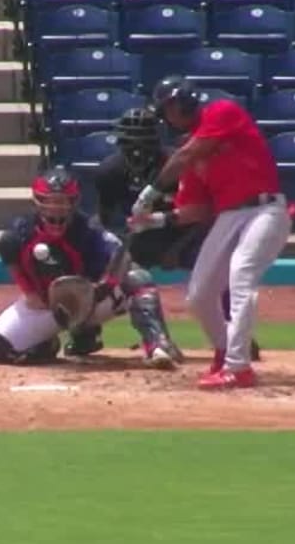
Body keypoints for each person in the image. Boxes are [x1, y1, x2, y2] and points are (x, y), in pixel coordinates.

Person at [129, 76, 292, 390]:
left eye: (169, 109)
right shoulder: (190, 151)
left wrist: (149, 194)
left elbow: (186, 156)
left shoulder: (221, 112)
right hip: (229, 216)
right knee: (200, 293)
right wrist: (154, 221)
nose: (169, 117)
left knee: (240, 276)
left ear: (181, 103)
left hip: (265, 210)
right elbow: (197, 210)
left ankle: (238, 366)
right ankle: (223, 350)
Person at [93, 105, 264, 362]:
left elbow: (203, 211)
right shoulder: (108, 171)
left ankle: (235, 337)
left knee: (224, 268)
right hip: (138, 240)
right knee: (110, 269)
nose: (138, 149)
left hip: (184, 236)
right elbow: (106, 220)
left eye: (145, 141)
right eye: (131, 142)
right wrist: (122, 243)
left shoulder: (176, 164)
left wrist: (167, 230)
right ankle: (104, 334)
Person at [0, 166, 183, 368]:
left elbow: (122, 257)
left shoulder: (88, 231)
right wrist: (29, 293)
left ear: (73, 203)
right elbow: (10, 257)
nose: (56, 208)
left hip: (92, 303)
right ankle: (45, 344)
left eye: (63, 202)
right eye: (50, 202)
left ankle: (158, 343)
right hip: (47, 308)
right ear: (38, 202)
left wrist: (102, 287)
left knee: (138, 278)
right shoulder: (19, 233)